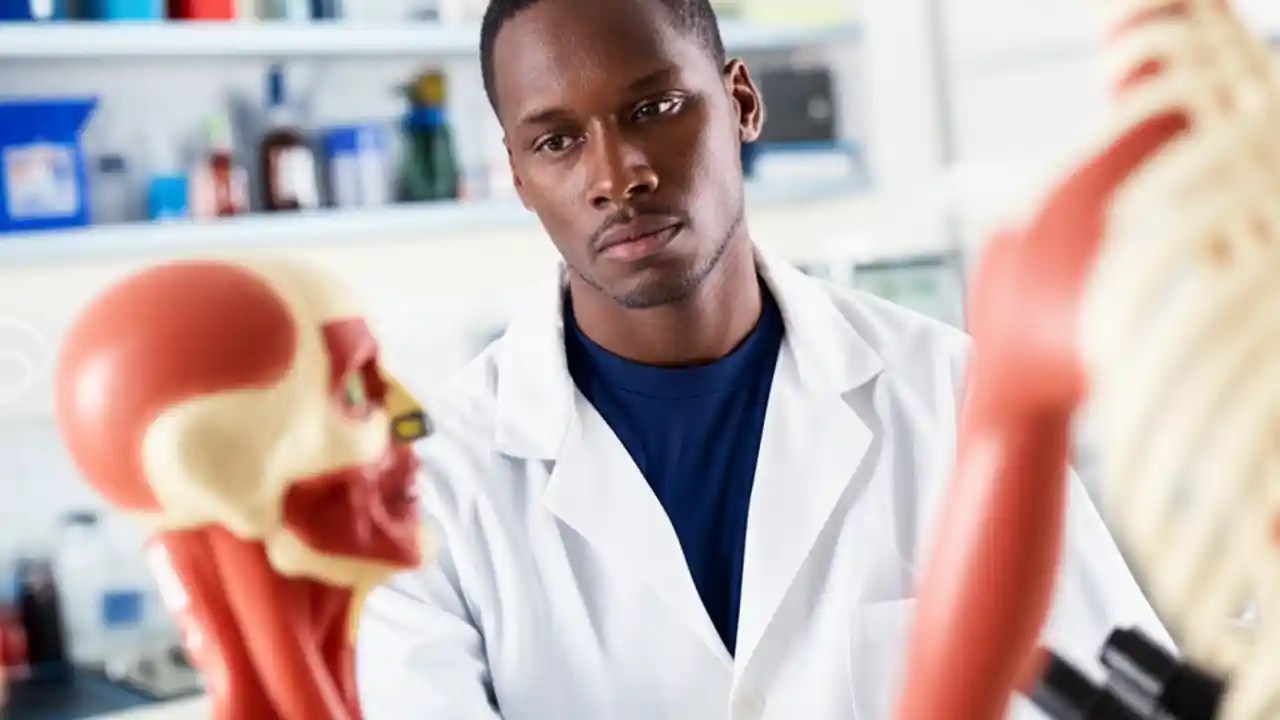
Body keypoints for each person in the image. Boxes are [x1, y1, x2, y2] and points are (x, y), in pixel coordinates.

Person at [355, 0, 1168, 718]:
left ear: (741, 101)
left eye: (656, 107)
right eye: (558, 140)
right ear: (519, 177)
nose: (616, 175)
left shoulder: (952, 397)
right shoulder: (426, 486)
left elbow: (1120, 687)